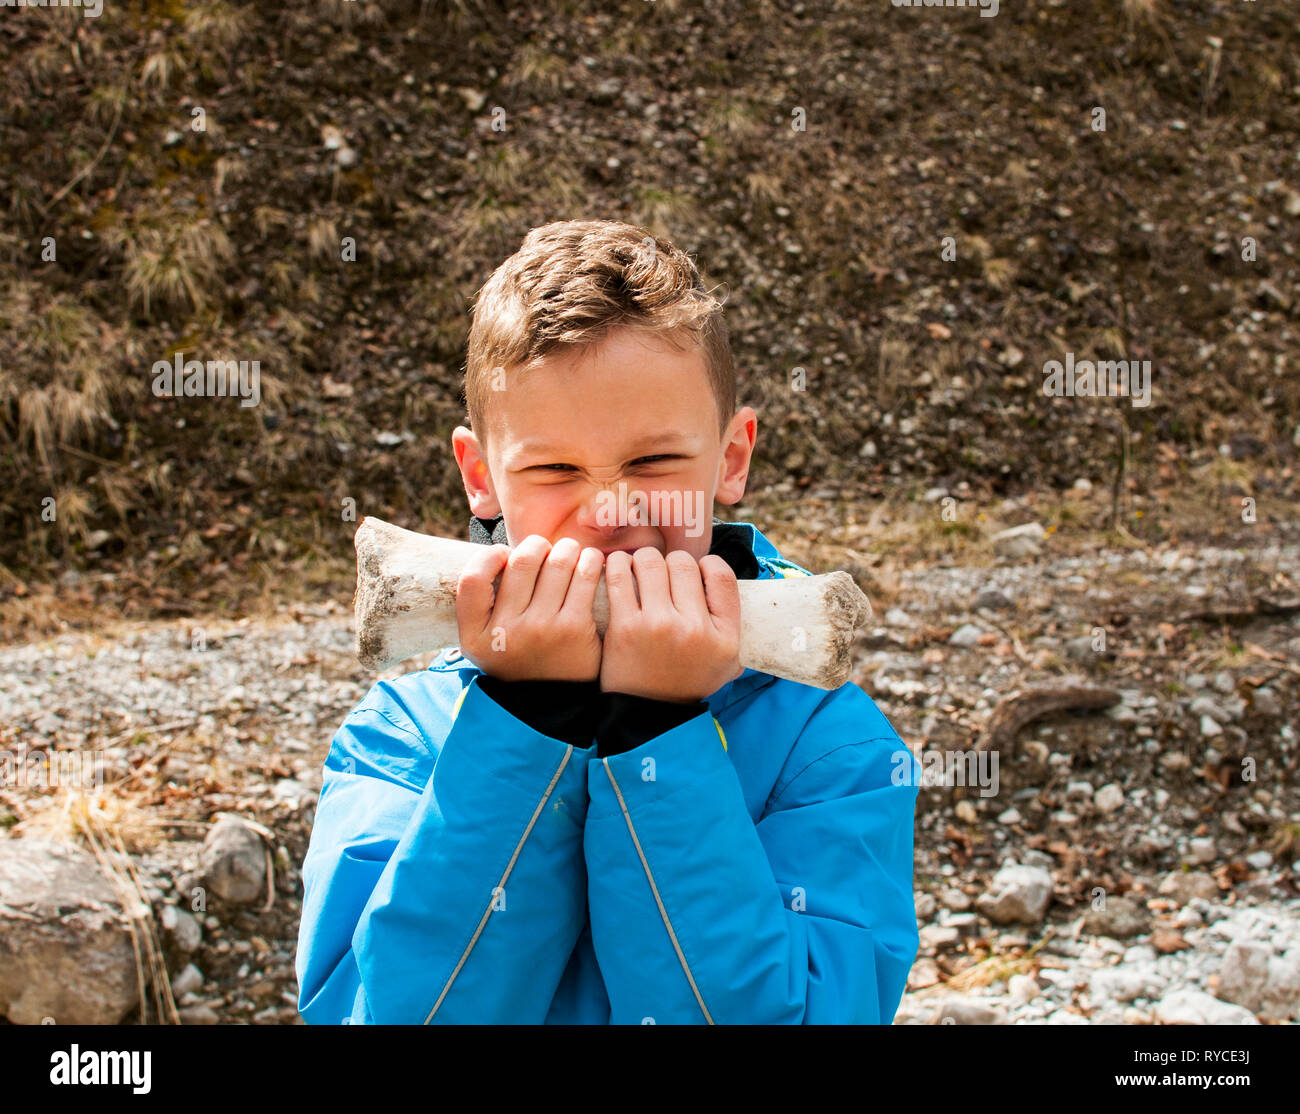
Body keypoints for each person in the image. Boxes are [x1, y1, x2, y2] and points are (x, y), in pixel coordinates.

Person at [295, 219, 920, 1024]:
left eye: (653, 463)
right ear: (481, 478)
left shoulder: (827, 746)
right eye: (555, 469)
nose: (610, 511)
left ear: (731, 458)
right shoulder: (404, 739)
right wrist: (526, 722)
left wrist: (659, 732)